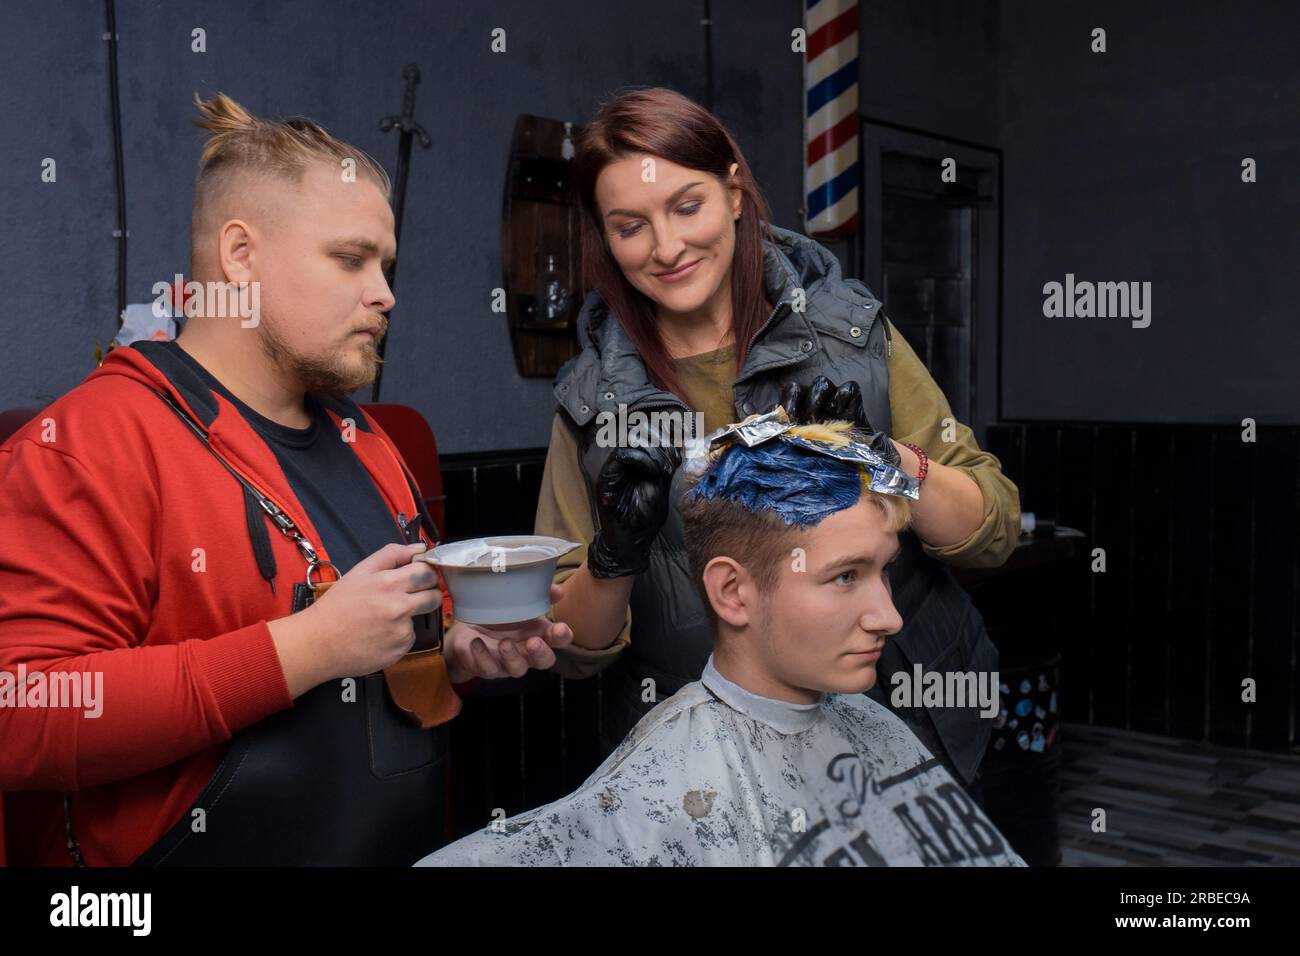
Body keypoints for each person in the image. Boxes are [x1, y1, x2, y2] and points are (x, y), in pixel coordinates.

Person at [0, 93, 571, 866]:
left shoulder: (366, 441)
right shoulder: (92, 443)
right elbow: (25, 715)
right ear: (241, 256)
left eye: (387, 266)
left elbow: (395, 660)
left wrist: (461, 654)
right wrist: (306, 648)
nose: (385, 294)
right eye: (350, 259)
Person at [535, 86, 1021, 791]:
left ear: (734, 193)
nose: (667, 246)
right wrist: (614, 554)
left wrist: (886, 460)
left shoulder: (852, 338)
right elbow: (573, 649)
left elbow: (993, 526)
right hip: (715, 778)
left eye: (687, 206)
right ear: (604, 237)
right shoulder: (588, 406)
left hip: (906, 733)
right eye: (630, 225)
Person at [419, 417, 1025, 866]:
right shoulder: (669, 787)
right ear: (732, 593)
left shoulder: (880, 730)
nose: (890, 618)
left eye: (882, 570)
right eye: (845, 576)